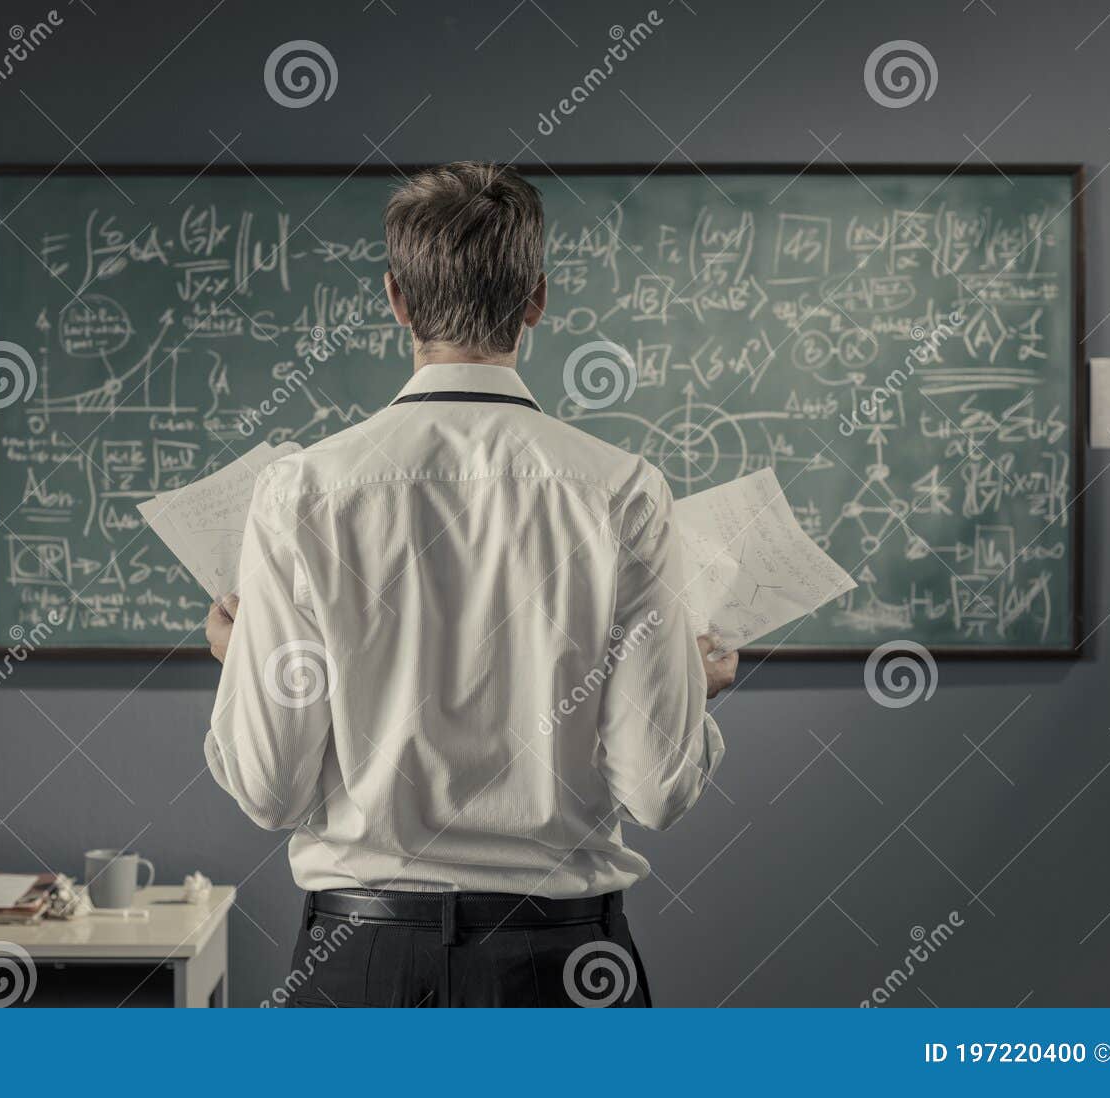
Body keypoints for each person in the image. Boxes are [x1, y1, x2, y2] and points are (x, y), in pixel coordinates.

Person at [203, 162, 736, 1008]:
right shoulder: (626, 491)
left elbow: (270, 792)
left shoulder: (300, 492)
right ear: (536, 299)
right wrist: (690, 689)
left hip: (359, 967)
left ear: (396, 300)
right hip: (566, 970)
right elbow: (658, 791)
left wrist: (246, 663)